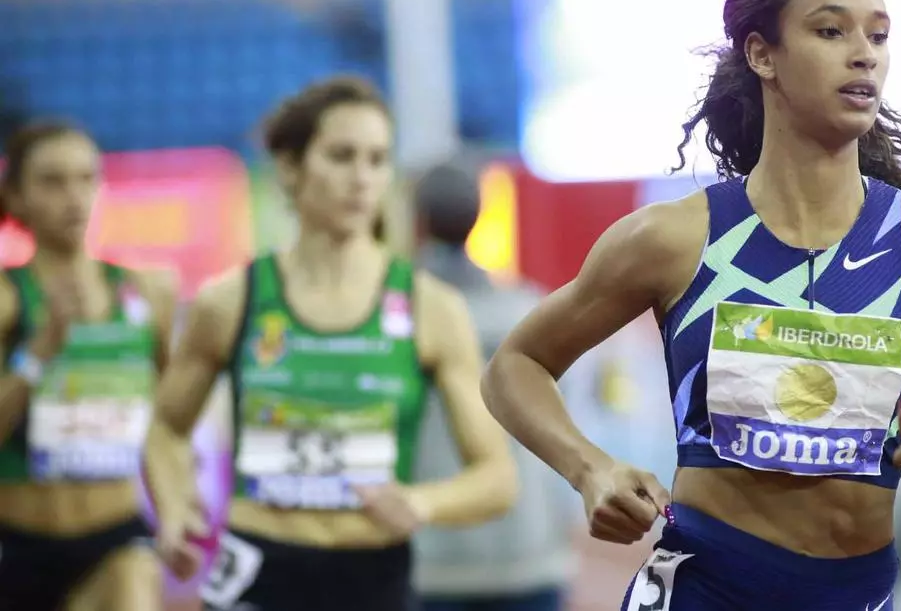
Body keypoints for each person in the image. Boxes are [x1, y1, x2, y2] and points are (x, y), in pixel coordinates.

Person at [481, 0, 901, 610]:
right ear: (761, 54)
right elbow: (513, 365)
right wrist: (590, 467)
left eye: (879, 34)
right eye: (831, 30)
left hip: (856, 593)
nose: (864, 53)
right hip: (704, 587)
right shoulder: (672, 239)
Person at [142, 76, 518, 611]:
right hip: (257, 563)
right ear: (291, 169)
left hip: (370, 573)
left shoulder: (429, 307)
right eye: (341, 156)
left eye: (376, 159)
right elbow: (165, 429)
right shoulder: (230, 301)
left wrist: (420, 501)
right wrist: (175, 508)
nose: (361, 178)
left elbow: (497, 477)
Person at [0, 122, 172, 610]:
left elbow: (164, 425)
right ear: (16, 197)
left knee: (134, 582)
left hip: (114, 535)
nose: (74, 197)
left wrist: (175, 513)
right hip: (18, 542)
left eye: (85, 178)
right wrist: (37, 354)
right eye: (52, 182)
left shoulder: (147, 293)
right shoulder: (8, 299)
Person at [411, 163, 577, 611]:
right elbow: (569, 424)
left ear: (417, 222)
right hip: (529, 549)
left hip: (430, 557)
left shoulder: (398, 319)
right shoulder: (531, 310)